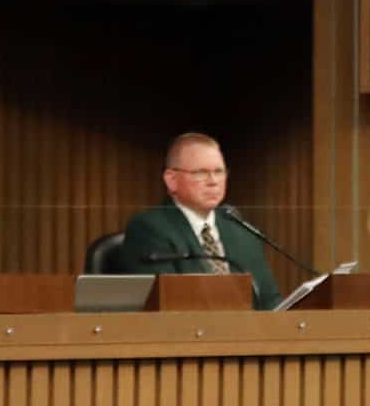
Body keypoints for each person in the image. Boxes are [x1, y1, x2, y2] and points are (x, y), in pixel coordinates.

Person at [115, 132, 280, 308]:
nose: (213, 181)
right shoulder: (149, 229)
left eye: (219, 171)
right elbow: (167, 305)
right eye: (201, 172)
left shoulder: (241, 230)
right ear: (172, 180)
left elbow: (270, 301)